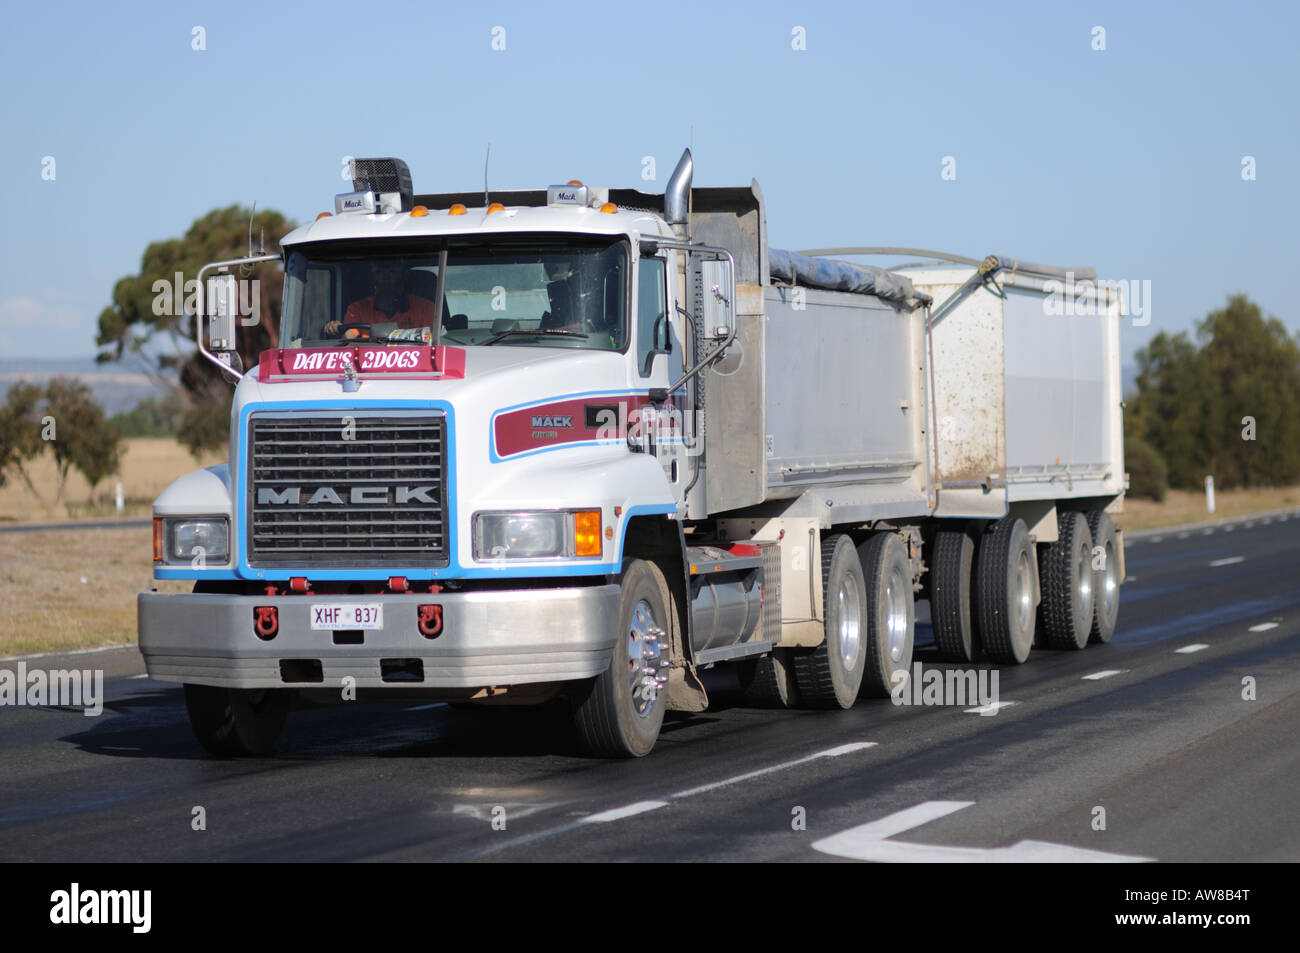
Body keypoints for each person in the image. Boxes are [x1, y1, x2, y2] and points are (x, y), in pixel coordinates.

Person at [323, 262, 436, 336]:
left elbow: (430, 342)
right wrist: (336, 328)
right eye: (379, 272)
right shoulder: (357, 309)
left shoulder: (426, 308)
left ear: (404, 277)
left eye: (392, 272)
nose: (385, 278)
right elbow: (349, 336)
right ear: (372, 278)